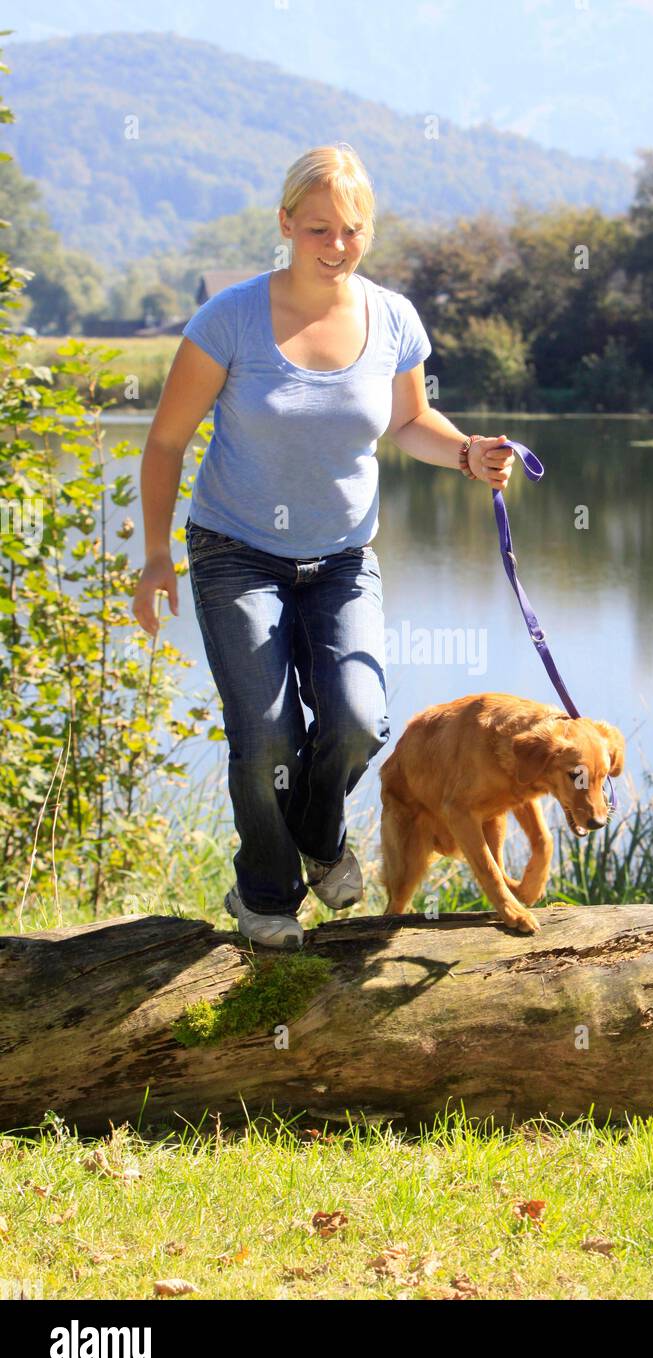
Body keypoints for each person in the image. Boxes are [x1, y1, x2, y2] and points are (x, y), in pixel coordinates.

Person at [132, 143, 514, 948]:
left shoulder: (392, 318)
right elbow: (166, 442)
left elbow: (411, 423)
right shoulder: (229, 318)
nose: (336, 246)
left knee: (359, 719)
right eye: (318, 229)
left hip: (341, 559)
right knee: (265, 731)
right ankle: (265, 895)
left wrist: (468, 452)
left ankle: (318, 833)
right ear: (284, 225)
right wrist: (157, 556)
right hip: (236, 552)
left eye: (351, 229)